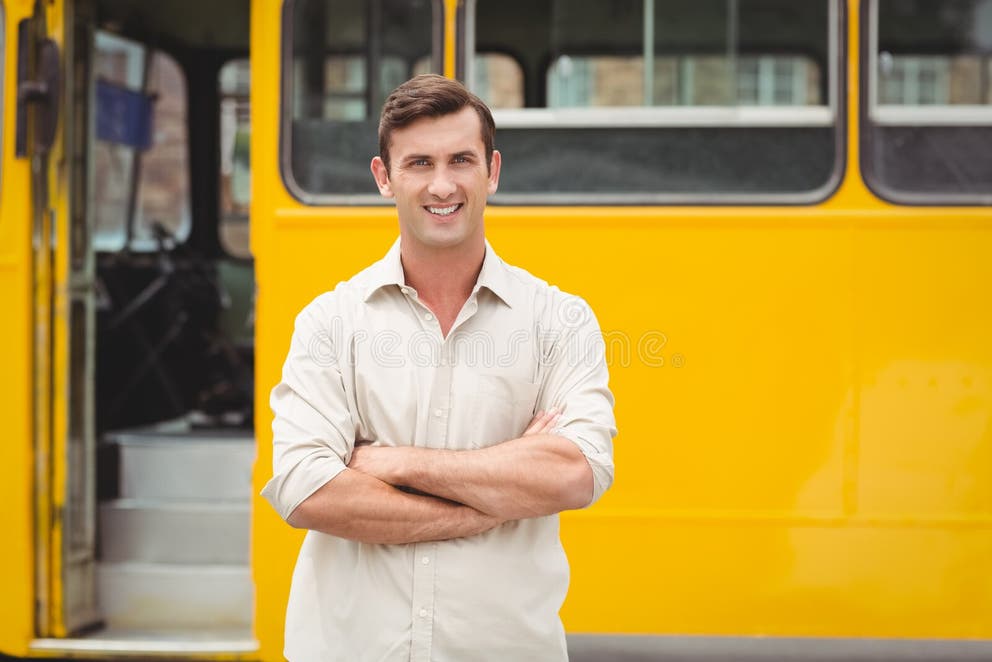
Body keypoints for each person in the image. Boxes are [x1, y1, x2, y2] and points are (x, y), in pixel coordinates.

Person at [261, 74, 616, 662]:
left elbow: (574, 475)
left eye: (461, 160)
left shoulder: (561, 319)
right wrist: (492, 501)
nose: (442, 184)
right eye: (419, 163)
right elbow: (307, 492)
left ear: (492, 171)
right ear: (384, 178)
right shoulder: (329, 322)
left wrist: (392, 462)